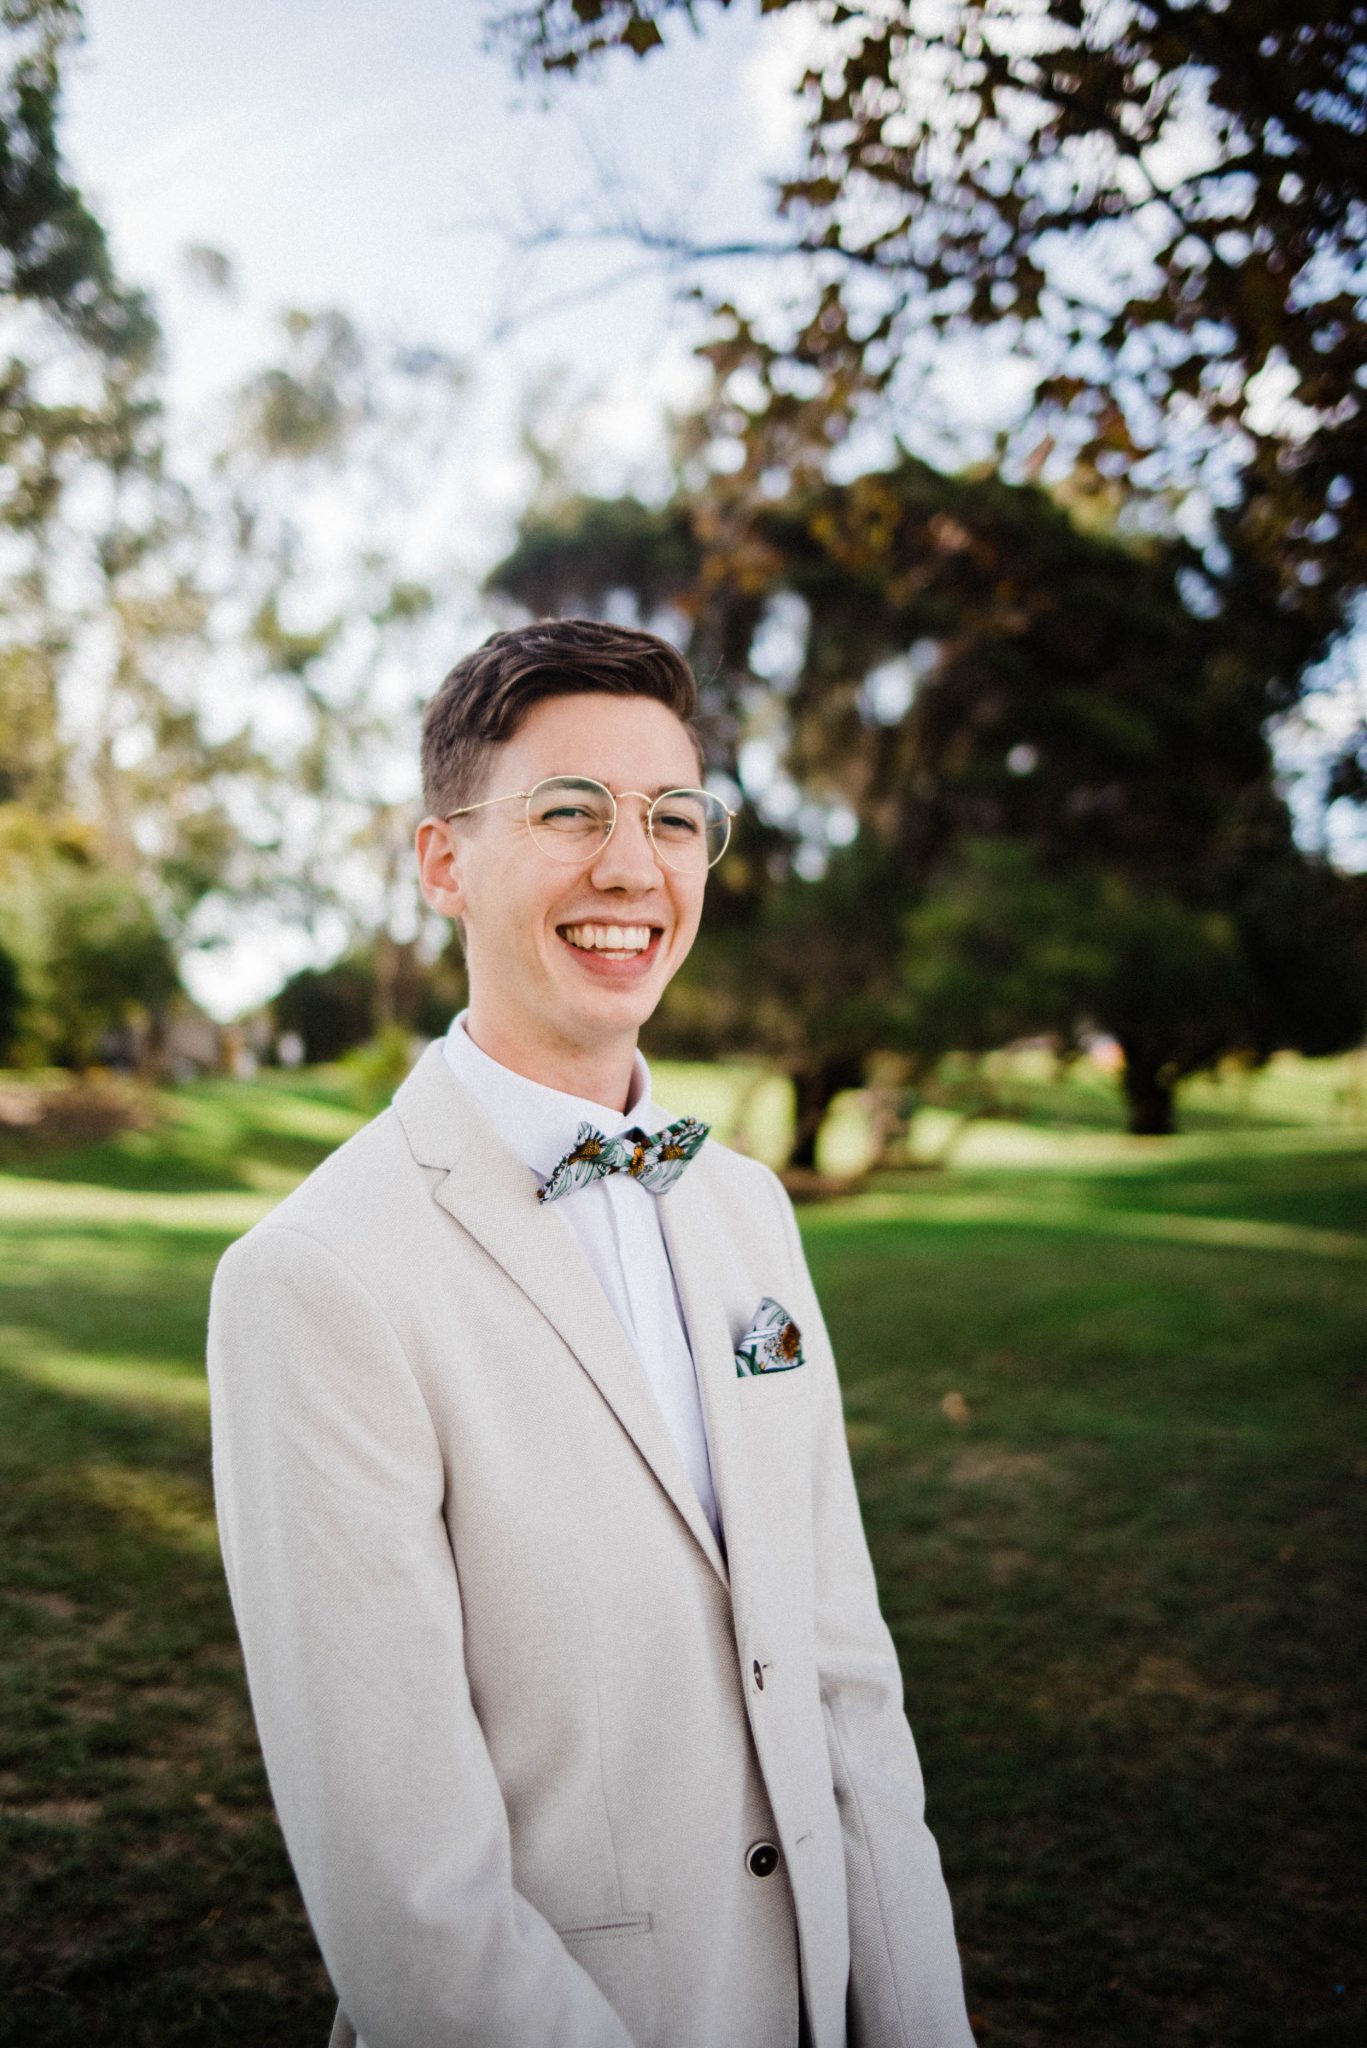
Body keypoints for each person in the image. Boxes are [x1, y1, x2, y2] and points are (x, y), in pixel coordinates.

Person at [207, 617, 976, 2048]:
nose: (634, 867)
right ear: (442, 860)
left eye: (675, 817)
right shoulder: (314, 1280)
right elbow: (410, 1904)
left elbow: (844, 1680)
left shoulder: (748, 1209)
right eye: (570, 813)